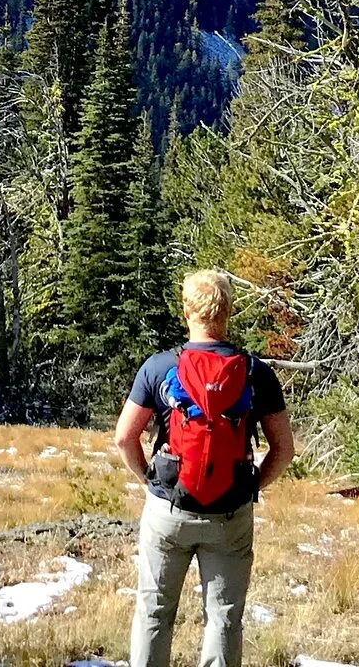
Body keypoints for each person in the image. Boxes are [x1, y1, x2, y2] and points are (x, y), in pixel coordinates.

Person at [114, 269, 293, 667]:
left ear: (187, 311)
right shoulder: (255, 372)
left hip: (168, 508)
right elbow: (284, 450)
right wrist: (252, 487)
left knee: (154, 612)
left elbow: (124, 438)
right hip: (230, 514)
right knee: (224, 618)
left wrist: (148, 480)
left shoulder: (159, 367)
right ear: (227, 312)